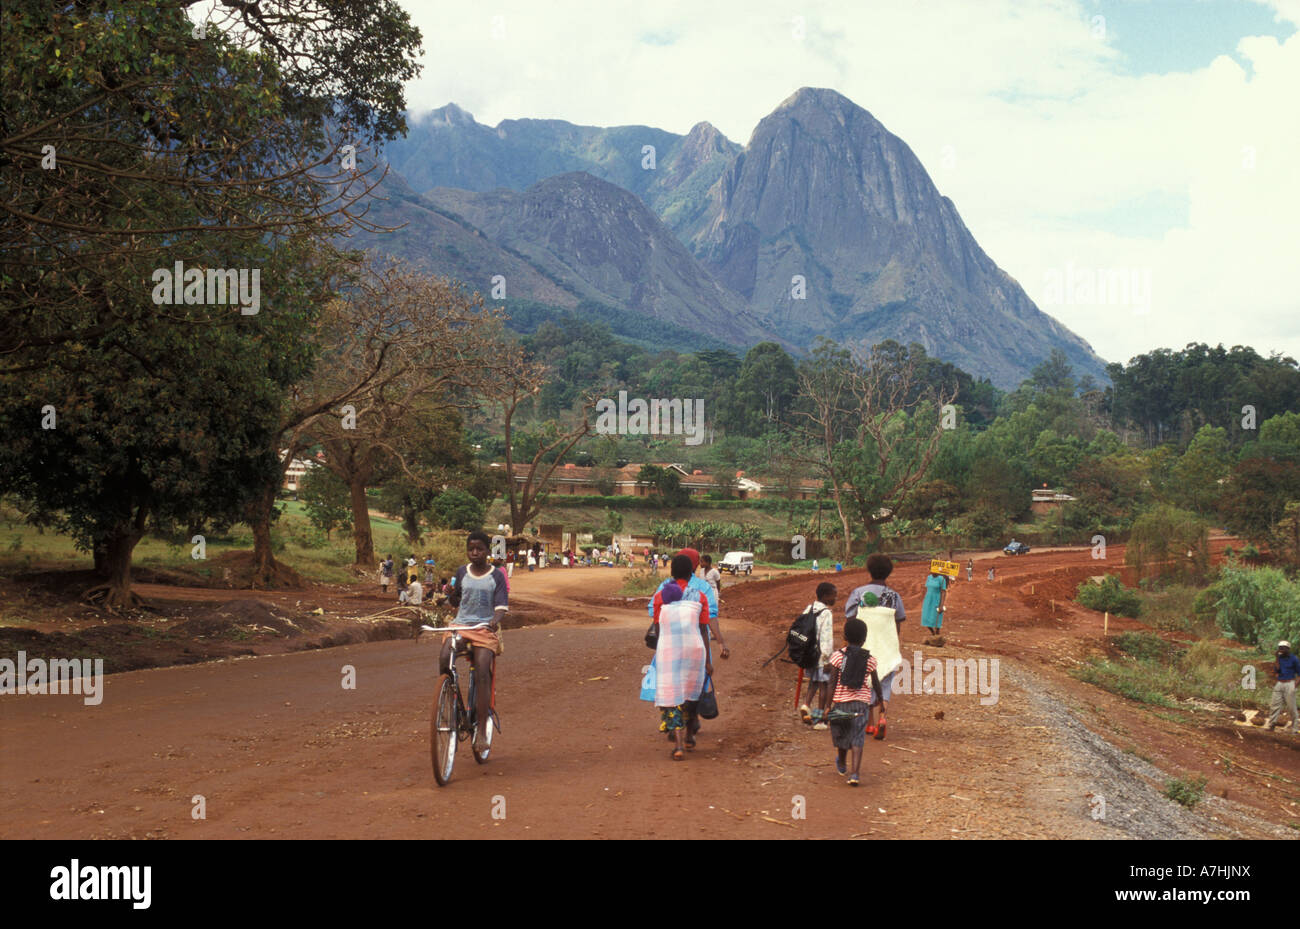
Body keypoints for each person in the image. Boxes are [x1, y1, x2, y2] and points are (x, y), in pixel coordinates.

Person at [442, 531, 507, 752]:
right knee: (444, 657)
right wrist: (450, 594)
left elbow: (500, 608)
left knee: (481, 669)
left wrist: (493, 622)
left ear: (488, 551)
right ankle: (451, 700)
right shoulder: (462, 572)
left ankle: (480, 731)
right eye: (471, 549)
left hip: (483, 628)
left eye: (479, 549)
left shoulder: (496, 575)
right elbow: (455, 601)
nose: (475, 553)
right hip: (460, 625)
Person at [652, 556, 712, 760]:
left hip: (669, 650)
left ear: (671, 573)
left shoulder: (660, 597)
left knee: (671, 697)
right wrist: (708, 661)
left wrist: (660, 656)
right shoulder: (701, 597)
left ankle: (678, 746)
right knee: (690, 694)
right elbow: (704, 630)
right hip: (695, 650)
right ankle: (689, 737)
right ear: (692, 573)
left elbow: (659, 629)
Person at [845, 554, 906, 738]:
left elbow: (850, 617)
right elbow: (898, 620)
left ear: (869, 570)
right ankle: (882, 717)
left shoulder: (858, 593)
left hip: (864, 644)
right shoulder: (894, 596)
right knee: (884, 683)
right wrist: (893, 641)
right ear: (888, 573)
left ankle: (869, 724)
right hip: (887, 643)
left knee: (866, 682)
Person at [825, 617, 881, 786]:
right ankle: (855, 774)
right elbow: (876, 682)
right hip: (861, 704)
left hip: (841, 704)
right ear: (864, 639)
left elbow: (832, 683)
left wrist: (828, 706)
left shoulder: (837, 657)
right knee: (857, 738)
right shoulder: (870, 659)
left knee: (841, 734)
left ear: (844, 637)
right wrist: (880, 699)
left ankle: (842, 762)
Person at [648, 548, 729, 659]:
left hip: (668, 645)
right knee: (699, 674)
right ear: (694, 566)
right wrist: (721, 643)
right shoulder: (703, 587)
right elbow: (711, 616)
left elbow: (653, 611)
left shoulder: (665, 585)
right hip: (695, 646)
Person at [798, 582, 837, 730]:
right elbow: (827, 637)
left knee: (813, 682)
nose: (836, 598)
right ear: (826, 597)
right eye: (834, 595)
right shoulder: (826, 613)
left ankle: (806, 705)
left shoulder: (809, 609)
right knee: (824, 686)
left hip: (809, 654)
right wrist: (828, 659)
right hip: (822, 657)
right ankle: (820, 720)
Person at [1266, 640, 1300, 734]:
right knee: (1274, 705)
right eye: (1279, 647)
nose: (1280, 649)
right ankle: (1271, 725)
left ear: (1288, 649)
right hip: (1280, 683)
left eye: (1282, 648)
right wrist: (1277, 658)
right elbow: (1277, 670)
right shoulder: (1279, 658)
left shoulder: (1294, 659)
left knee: (1291, 707)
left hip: (1290, 683)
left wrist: (1295, 685)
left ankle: (1294, 729)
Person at [921, 569, 949, 637]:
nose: (932, 571)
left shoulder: (942, 579)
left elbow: (943, 592)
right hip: (928, 599)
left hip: (937, 599)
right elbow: (927, 588)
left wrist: (941, 605)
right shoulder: (929, 577)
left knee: (936, 617)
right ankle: (933, 633)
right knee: (925, 617)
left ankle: (937, 633)